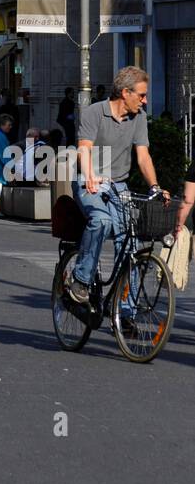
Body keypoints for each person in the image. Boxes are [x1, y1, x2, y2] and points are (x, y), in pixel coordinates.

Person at [65, 67, 163, 307]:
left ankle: (125, 311)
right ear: (124, 93)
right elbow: (84, 148)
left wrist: (156, 186)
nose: (145, 100)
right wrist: (89, 176)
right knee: (101, 220)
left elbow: (143, 156)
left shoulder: (138, 117)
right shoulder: (94, 113)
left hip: (119, 185)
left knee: (130, 242)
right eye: (141, 95)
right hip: (90, 181)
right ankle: (81, 280)